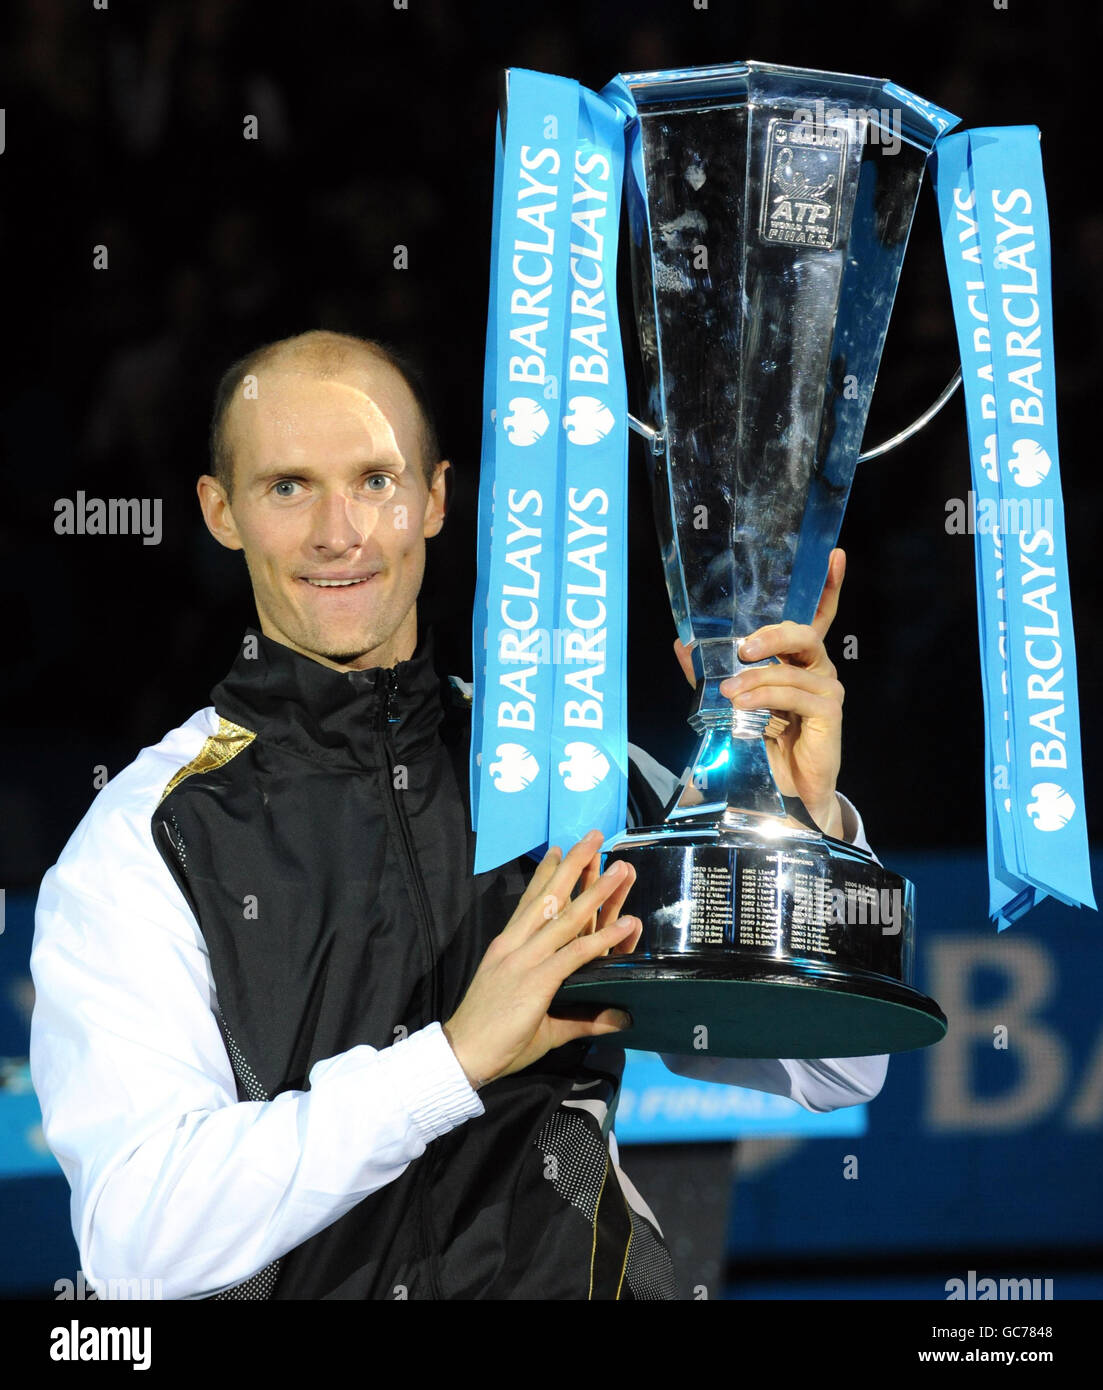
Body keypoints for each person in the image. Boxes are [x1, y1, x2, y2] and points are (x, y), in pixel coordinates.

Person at [30, 329, 888, 1301]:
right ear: (218, 511)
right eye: (287, 487)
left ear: (435, 498)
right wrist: (450, 1061)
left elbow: (833, 1063)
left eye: (374, 480)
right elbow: (139, 1242)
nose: (337, 533)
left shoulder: (576, 782)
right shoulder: (150, 836)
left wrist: (800, 822)